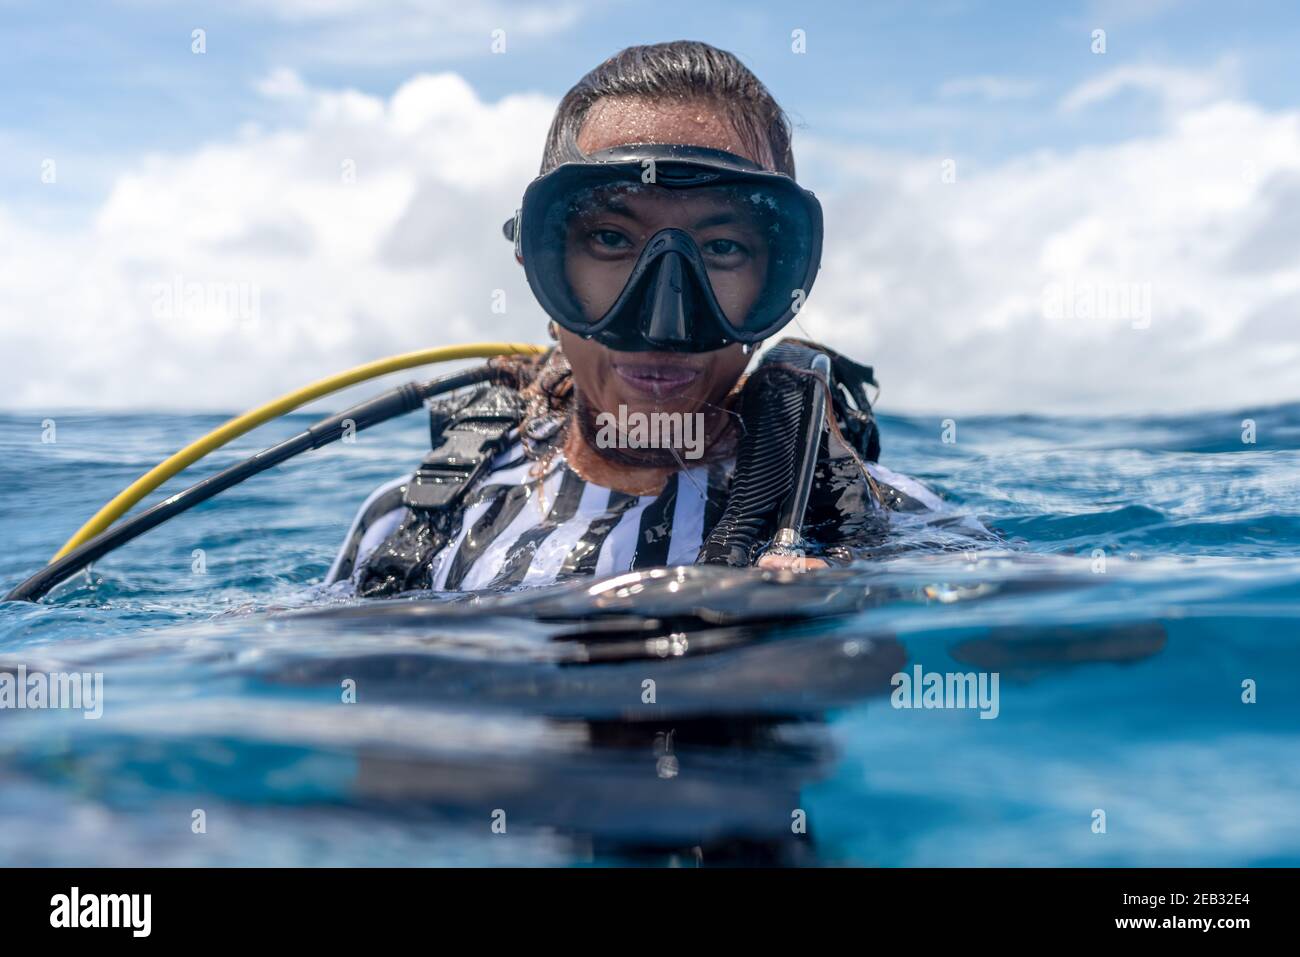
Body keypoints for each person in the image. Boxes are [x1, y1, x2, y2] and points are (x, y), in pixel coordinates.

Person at [327, 41, 961, 597]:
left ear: (778, 276)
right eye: (609, 238)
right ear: (539, 258)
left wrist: (855, 614)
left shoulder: (885, 525)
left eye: (721, 248)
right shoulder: (409, 525)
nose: (665, 324)